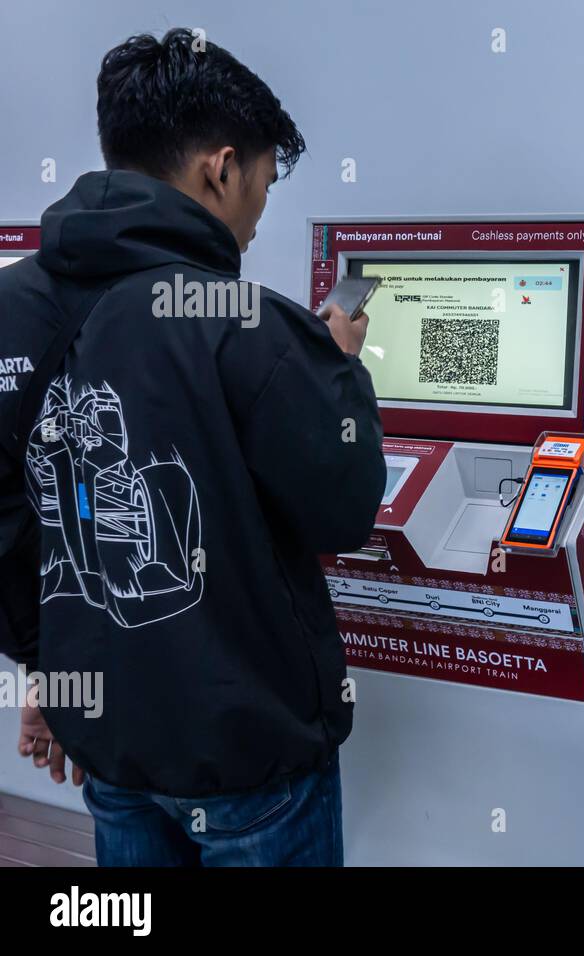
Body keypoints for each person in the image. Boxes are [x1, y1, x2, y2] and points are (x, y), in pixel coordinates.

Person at [0, 28, 385, 865]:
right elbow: (347, 507)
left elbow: (9, 522)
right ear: (220, 166)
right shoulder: (248, 325)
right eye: (263, 185)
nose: (255, 219)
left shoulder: (12, 308)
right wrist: (340, 369)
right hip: (254, 766)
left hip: (111, 747)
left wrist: (54, 672)